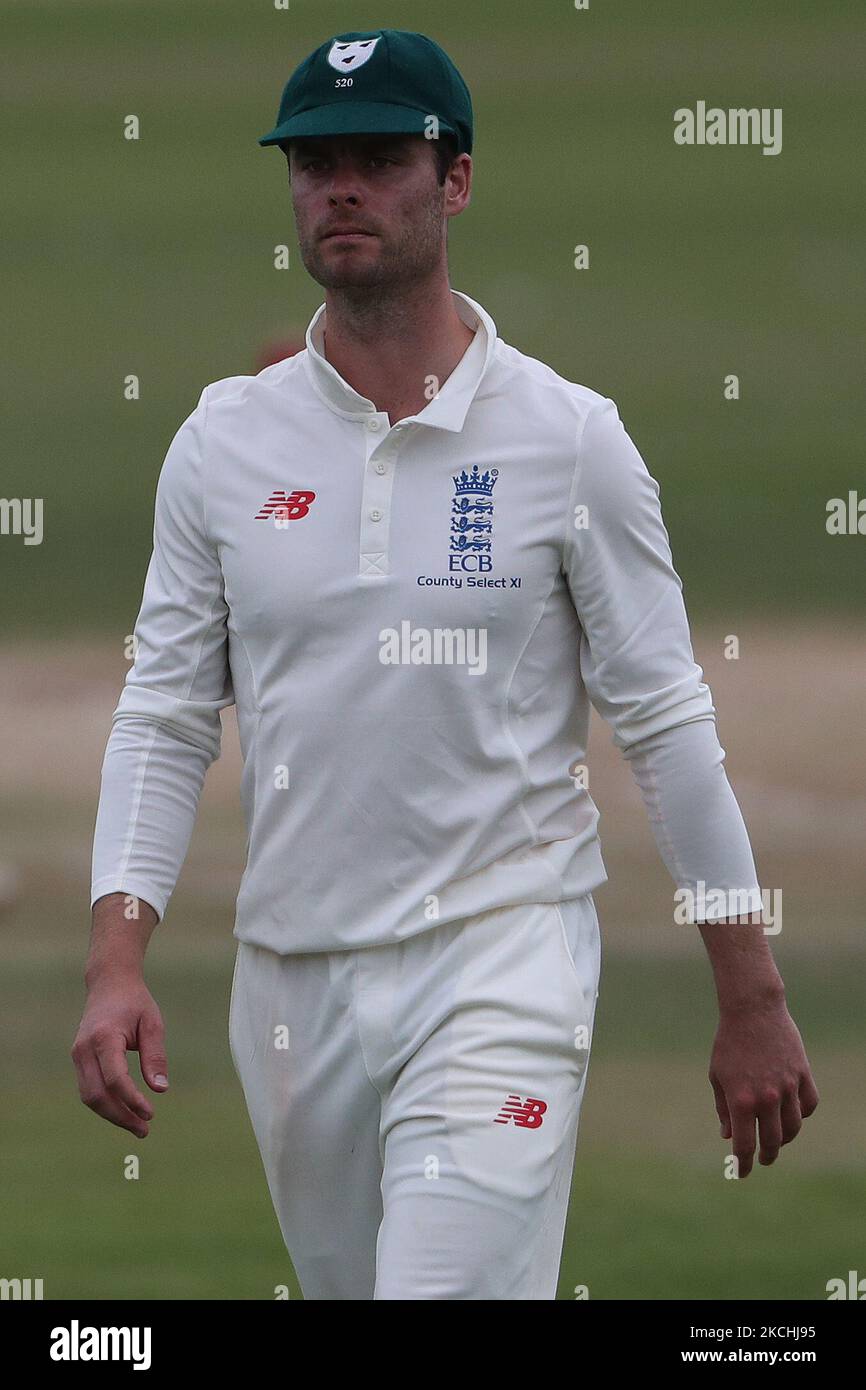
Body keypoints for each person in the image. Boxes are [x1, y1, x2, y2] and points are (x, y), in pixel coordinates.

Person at [74, 28, 818, 1301]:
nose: (339, 188)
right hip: (293, 982)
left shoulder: (568, 440)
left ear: (454, 181)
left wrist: (747, 988)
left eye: (377, 158)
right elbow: (163, 714)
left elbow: (664, 722)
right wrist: (115, 959)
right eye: (313, 162)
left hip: (502, 956)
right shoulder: (221, 441)